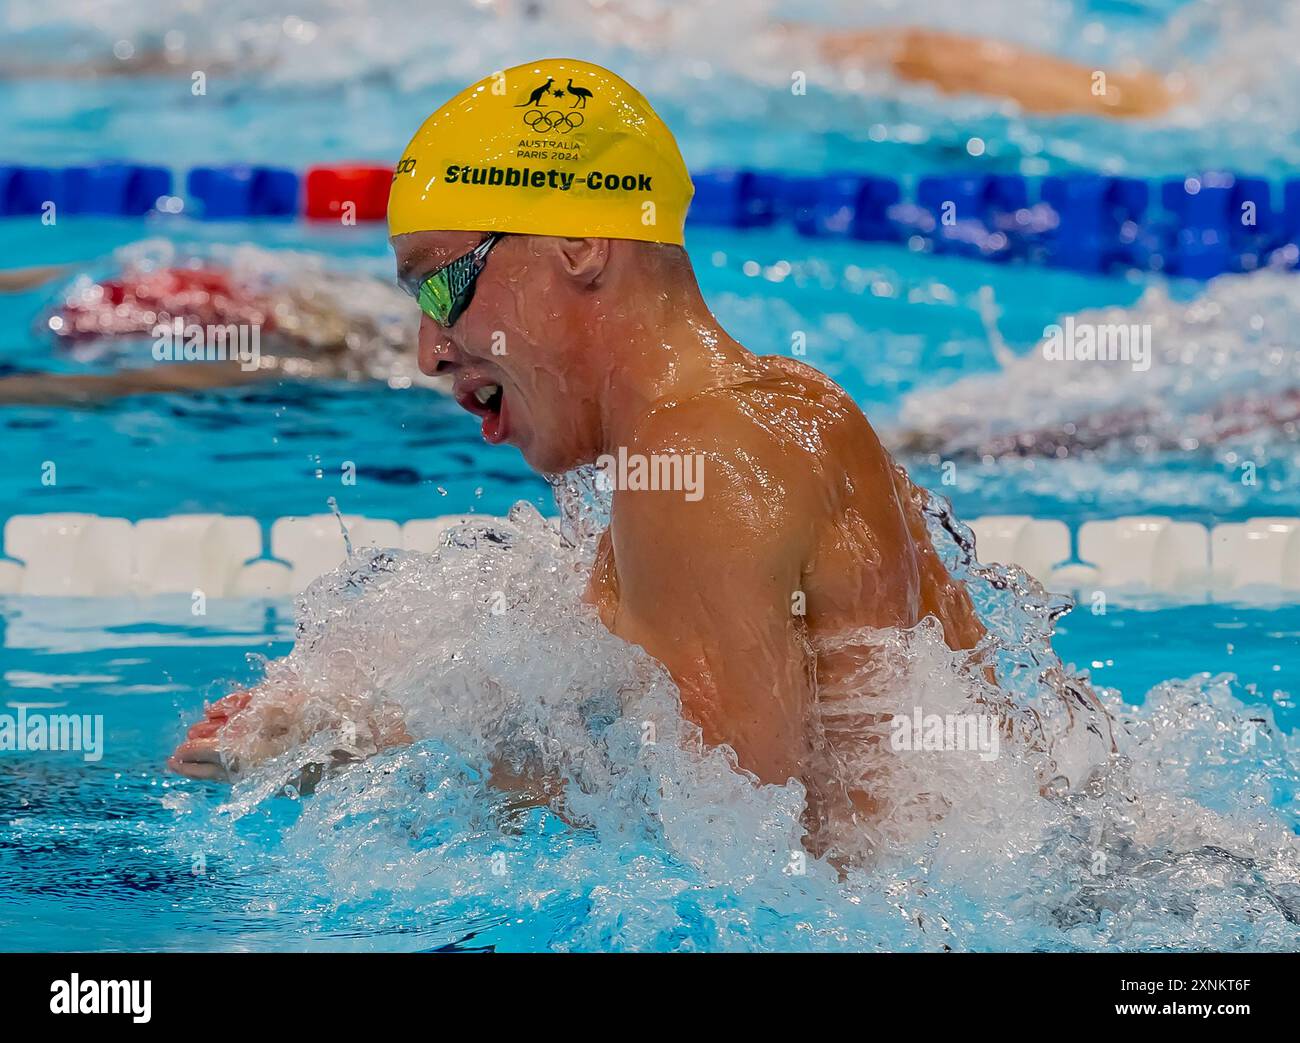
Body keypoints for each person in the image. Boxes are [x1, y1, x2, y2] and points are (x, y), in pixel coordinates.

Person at [170, 58, 1104, 839]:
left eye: (442, 283)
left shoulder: (701, 459)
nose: (428, 347)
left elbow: (745, 857)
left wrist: (370, 761)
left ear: (579, 239)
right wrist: (371, 711)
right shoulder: (790, 406)